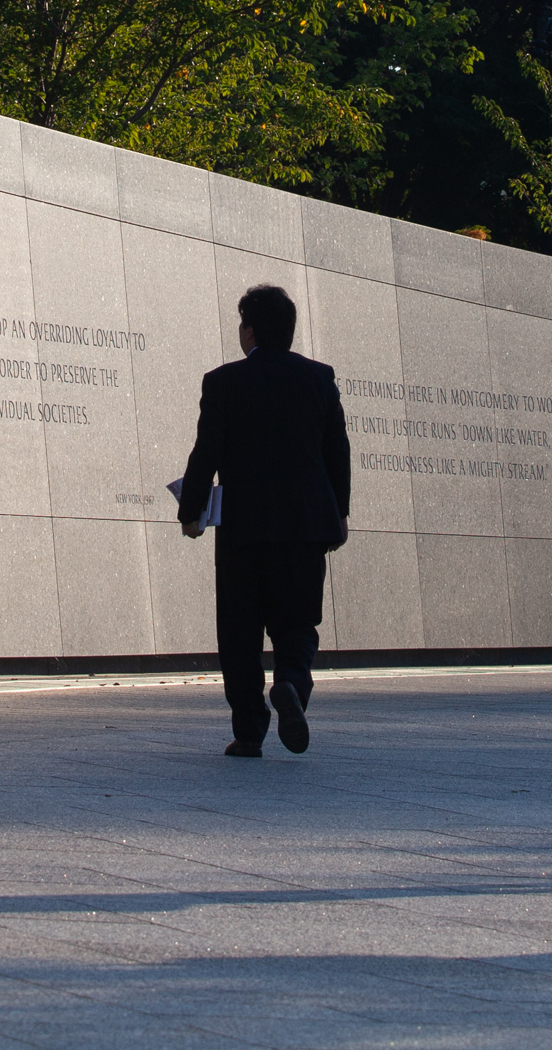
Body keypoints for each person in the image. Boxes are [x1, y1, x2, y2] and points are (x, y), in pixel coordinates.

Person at [176, 284, 352, 758]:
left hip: (244, 531)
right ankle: (292, 683)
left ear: (249, 332)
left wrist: (190, 511)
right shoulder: (319, 379)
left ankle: (249, 732)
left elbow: (205, 454)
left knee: (240, 631)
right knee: (297, 624)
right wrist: (340, 513)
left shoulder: (224, 382)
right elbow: (337, 451)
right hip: (304, 529)